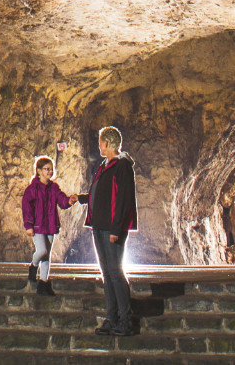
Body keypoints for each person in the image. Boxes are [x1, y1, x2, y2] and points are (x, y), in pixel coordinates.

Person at [83, 126, 138, 336]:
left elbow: (123, 199)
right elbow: (100, 194)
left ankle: (126, 320)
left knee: (115, 273)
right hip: (99, 226)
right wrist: (80, 199)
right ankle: (111, 317)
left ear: (107, 143)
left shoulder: (122, 166)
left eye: (100, 142)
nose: (99, 146)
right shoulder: (106, 166)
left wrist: (117, 228)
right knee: (107, 273)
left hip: (111, 228)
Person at [20, 155, 76, 296]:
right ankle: (33, 266)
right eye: (46, 169)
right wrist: (28, 225)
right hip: (38, 226)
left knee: (47, 257)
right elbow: (26, 207)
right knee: (42, 251)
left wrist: (69, 201)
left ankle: (44, 284)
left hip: (50, 225)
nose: (49, 172)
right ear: (39, 171)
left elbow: (61, 200)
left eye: (51, 169)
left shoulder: (54, 188)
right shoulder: (32, 189)